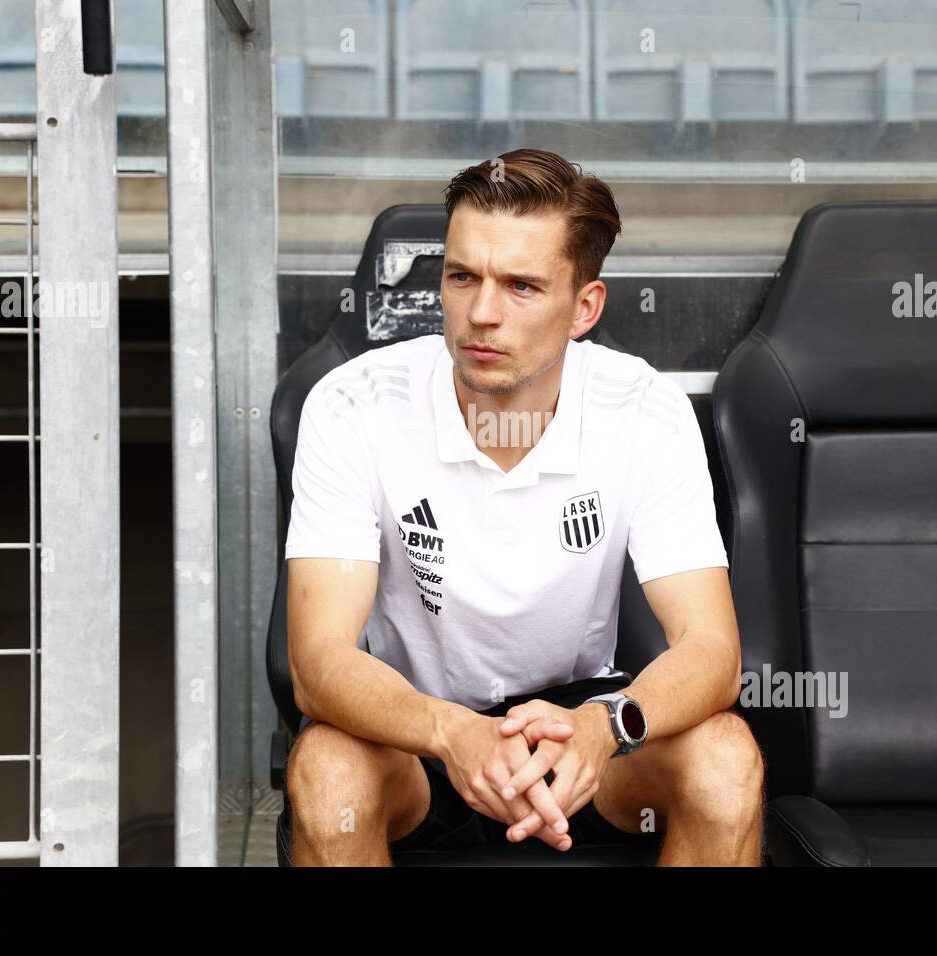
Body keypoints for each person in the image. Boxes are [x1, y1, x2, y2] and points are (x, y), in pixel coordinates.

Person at [282, 147, 762, 865]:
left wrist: (607, 727)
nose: (481, 313)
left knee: (725, 760)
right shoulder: (352, 405)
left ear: (584, 308)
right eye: (462, 276)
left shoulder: (644, 409)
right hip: (417, 736)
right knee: (327, 771)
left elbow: (713, 652)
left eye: (522, 287)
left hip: (581, 735)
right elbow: (318, 660)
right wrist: (452, 734)